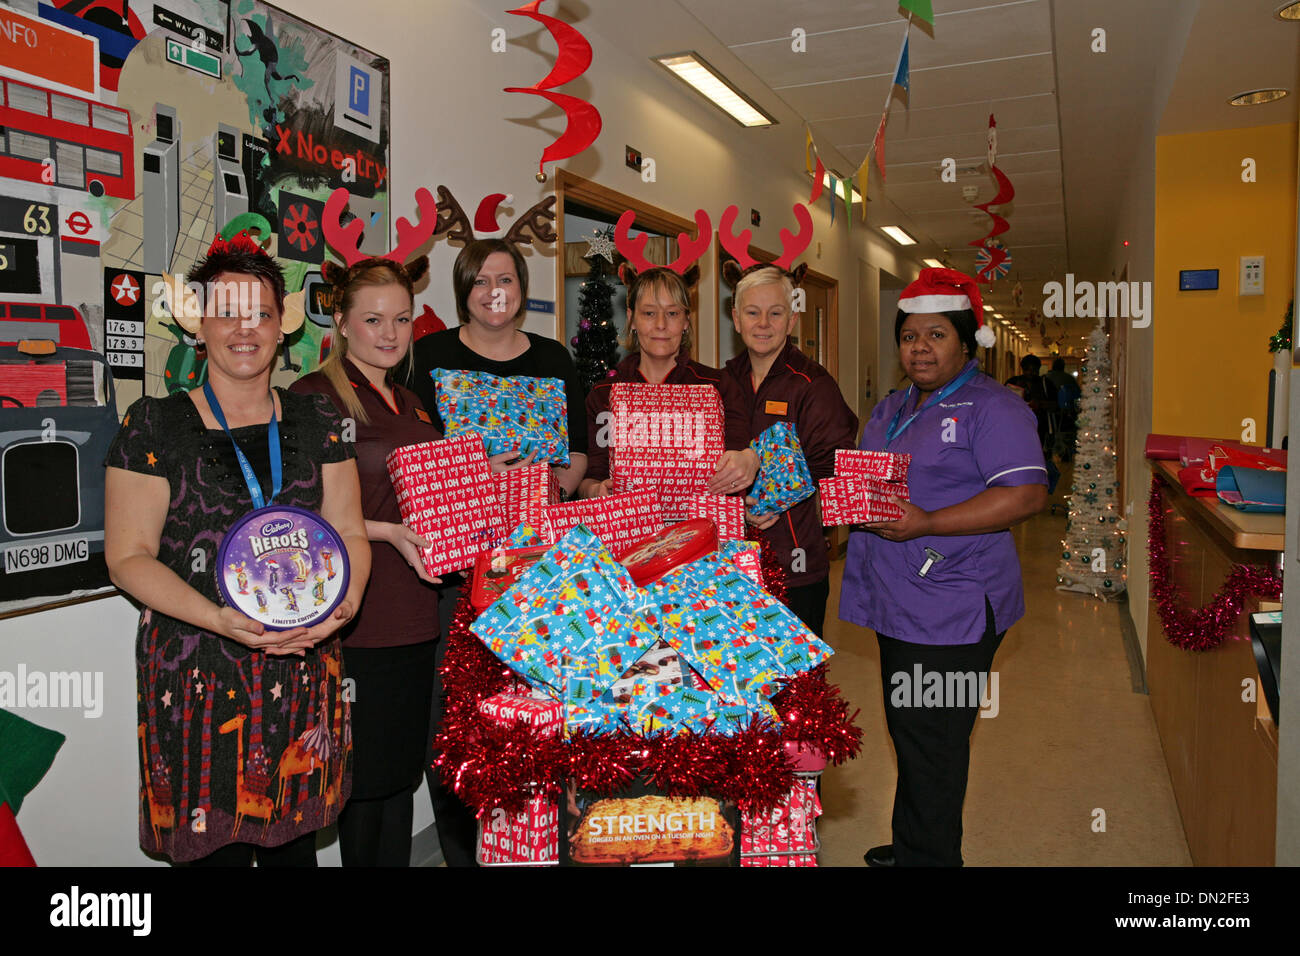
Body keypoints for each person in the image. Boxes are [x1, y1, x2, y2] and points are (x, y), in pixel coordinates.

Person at [105, 234, 370, 865]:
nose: (243, 329)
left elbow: (350, 531)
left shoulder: (319, 421)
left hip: (303, 669)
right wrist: (223, 620)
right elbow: (129, 556)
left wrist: (345, 603)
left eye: (260, 312)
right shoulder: (154, 425)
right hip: (197, 674)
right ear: (200, 323)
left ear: (283, 326)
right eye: (227, 311)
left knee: (294, 855)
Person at [838, 267, 1047, 867]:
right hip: (900, 599)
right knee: (912, 731)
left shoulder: (992, 408)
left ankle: (930, 858)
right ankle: (916, 845)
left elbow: (1027, 496)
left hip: (953, 606)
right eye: (909, 336)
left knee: (933, 739)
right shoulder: (896, 404)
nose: (920, 348)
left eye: (936, 335)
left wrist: (927, 522)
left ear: (965, 340)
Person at [411, 238, 588, 866]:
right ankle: (464, 853)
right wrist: (472, 473)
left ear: (523, 287)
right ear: (463, 287)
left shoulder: (552, 358)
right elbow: (413, 460)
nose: (495, 290)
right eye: (481, 279)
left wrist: (556, 485)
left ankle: (538, 843)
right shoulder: (427, 356)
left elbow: (581, 450)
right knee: (457, 713)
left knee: (538, 701)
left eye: (507, 278)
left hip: (539, 567)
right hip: (459, 570)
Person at [289, 255, 440, 867]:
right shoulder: (313, 396)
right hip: (358, 615)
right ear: (342, 321)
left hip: (419, 610)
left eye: (401, 319)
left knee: (401, 777)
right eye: (374, 319)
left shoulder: (412, 402)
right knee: (359, 782)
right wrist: (387, 531)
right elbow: (298, 514)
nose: (389, 333)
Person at [721, 265, 858, 636]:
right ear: (736, 319)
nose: (763, 323)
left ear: (792, 320)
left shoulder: (813, 384)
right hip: (725, 565)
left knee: (796, 687)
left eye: (775, 312)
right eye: (752, 312)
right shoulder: (721, 381)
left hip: (794, 563)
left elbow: (835, 466)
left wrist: (768, 492)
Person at [578, 265, 756, 499]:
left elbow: (737, 457)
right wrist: (594, 490)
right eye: (649, 313)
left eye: (672, 313)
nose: (661, 324)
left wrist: (747, 460)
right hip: (630, 529)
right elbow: (593, 475)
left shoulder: (717, 387)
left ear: (685, 321)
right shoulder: (604, 394)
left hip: (703, 528)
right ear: (632, 319)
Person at [1005, 353, 1053, 452]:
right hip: (1017, 426)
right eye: (1027, 369)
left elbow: (1055, 404)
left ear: (1038, 369)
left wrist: (1040, 404)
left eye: (1034, 370)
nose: (1030, 373)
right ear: (1023, 369)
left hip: (1040, 427)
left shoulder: (1046, 384)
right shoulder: (1013, 382)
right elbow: (1003, 402)